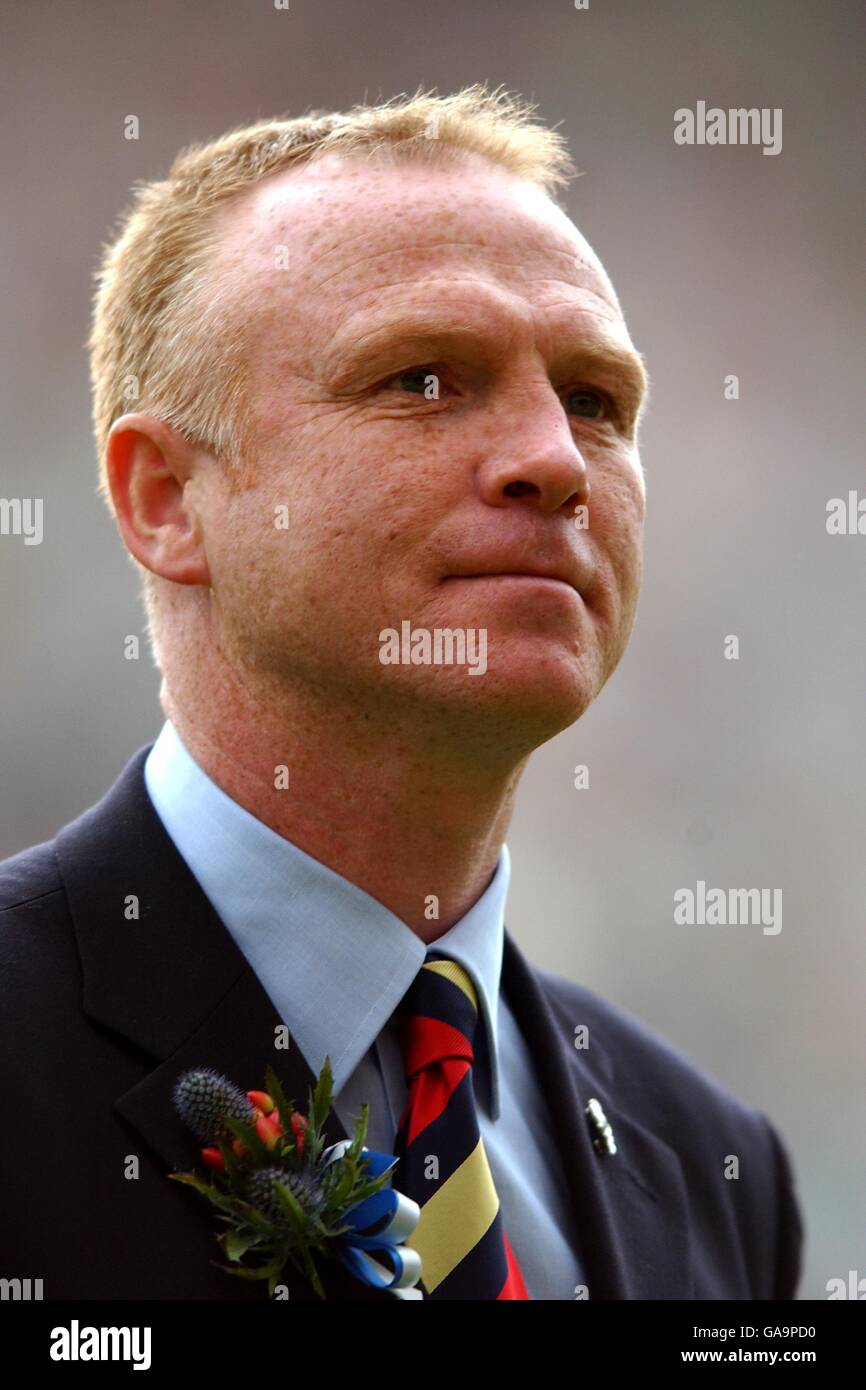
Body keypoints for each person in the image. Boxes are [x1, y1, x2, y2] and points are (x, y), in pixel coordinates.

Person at [0, 86, 802, 1300]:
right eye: (424, 379)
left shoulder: (711, 1164)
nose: (552, 459)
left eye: (594, 400)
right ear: (165, 498)